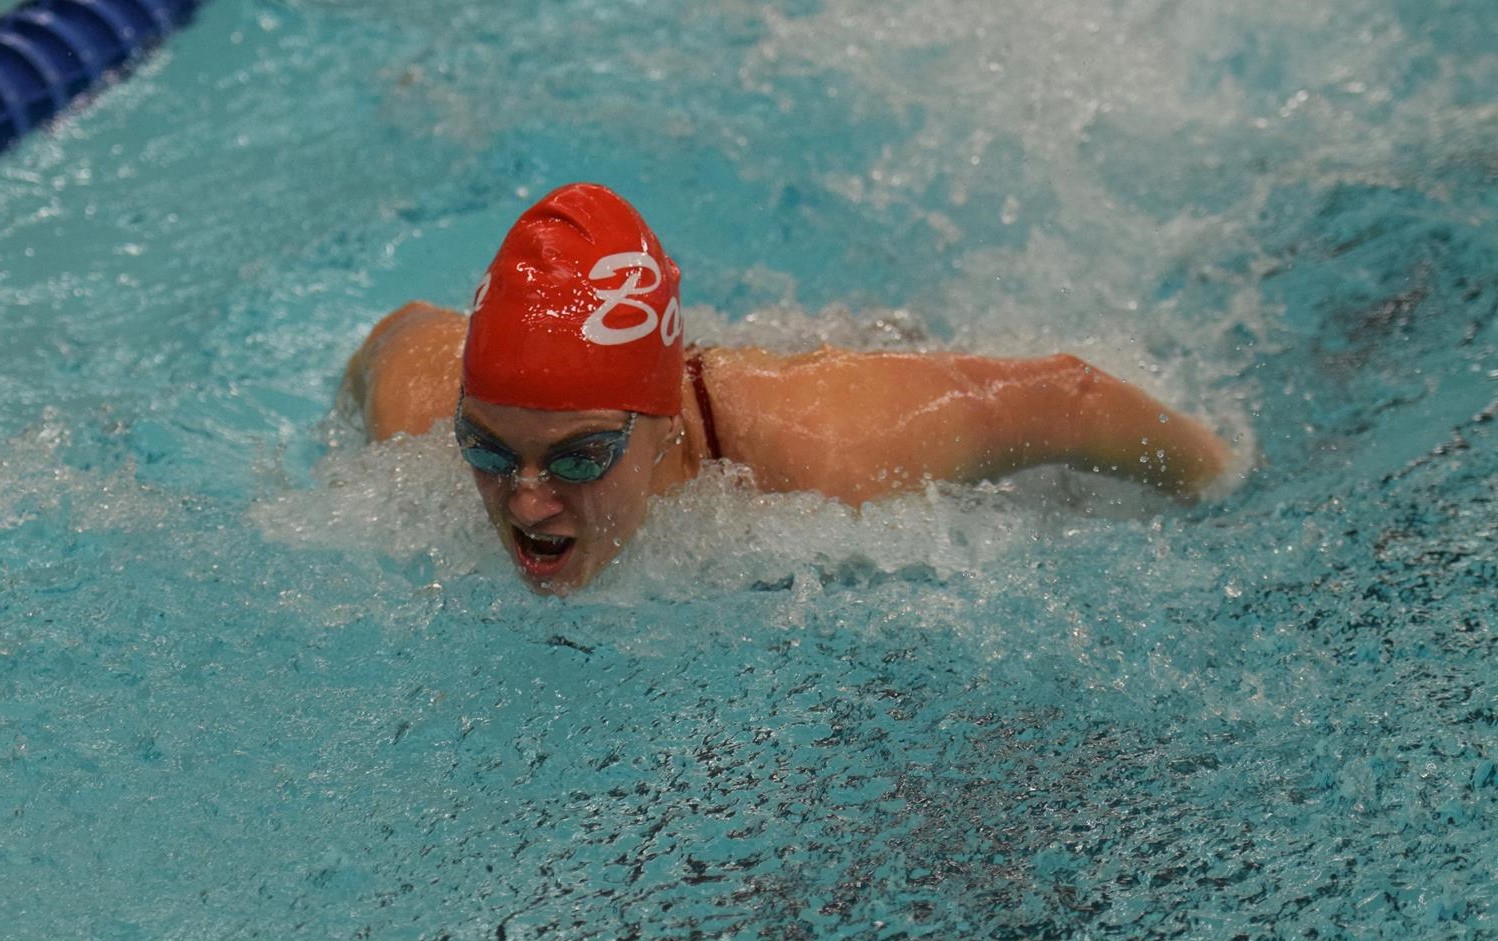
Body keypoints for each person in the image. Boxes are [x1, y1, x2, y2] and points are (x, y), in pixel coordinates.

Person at [341, 183, 1237, 595]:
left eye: (581, 457)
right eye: (489, 450)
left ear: (661, 426)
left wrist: (1222, 481)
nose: (528, 503)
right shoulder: (416, 401)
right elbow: (384, 343)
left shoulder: (828, 447)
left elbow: (1065, 395)